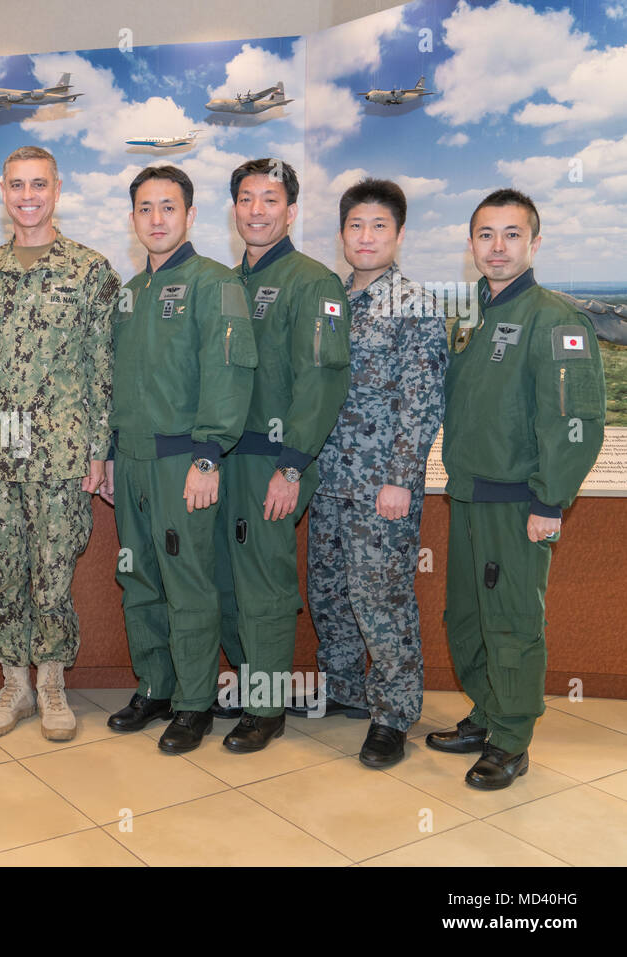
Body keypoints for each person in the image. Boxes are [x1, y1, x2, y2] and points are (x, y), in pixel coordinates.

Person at [428, 189, 604, 789]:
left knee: (512, 621)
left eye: (510, 234)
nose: (496, 247)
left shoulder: (555, 319)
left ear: (534, 242)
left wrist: (549, 500)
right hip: (469, 495)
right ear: (471, 243)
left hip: (518, 501)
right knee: (468, 617)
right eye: (485, 235)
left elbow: (575, 421)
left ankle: (511, 740)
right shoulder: (474, 318)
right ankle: (486, 713)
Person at [0, 145, 118, 742]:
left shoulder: (91, 271)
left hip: (62, 449)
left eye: (39, 184)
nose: (27, 195)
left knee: (53, 571)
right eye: (16, 185)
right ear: (2, 192)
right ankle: (14, 684)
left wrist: (100, 450)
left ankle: (52, 682)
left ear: (58, 189)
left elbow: (103, 368)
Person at [289, 179, 445, 769]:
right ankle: (347, 689)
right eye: (355, 225)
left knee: (382, 599)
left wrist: (402, 479)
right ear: (341, 234)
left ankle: (393, 714)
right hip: (329, 481)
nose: (366, 236)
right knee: (330, 592)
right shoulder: (334, 303)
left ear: (399, 235)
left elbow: (422, 402)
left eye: (379, 226)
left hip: (383, 485)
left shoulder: (415, 305)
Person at [102, 166, 257, 753]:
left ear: (191, 216)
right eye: (145, 208)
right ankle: (156, 687)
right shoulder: (131, 293)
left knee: (188, 582)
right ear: (134, 218)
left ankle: (195, 703)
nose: (157, 219)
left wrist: (209, 456)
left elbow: (228, 376)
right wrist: (113, 454)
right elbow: (120, 383)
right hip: (134, 460)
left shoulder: (216, 285)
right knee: (138, 577)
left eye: (169, 207)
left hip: (183, 462)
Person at [216, 158, 351, 753]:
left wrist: (292, 465)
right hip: (218, 460)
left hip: (274, 462)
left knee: (264, 586)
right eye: (246, 199)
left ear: (291, 211)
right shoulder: (224, 283)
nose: (257, 211)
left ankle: (266, 708)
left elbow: (321, 382)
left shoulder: (312, 283)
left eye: (270, 200)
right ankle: (251, 690)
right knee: (224, 580)